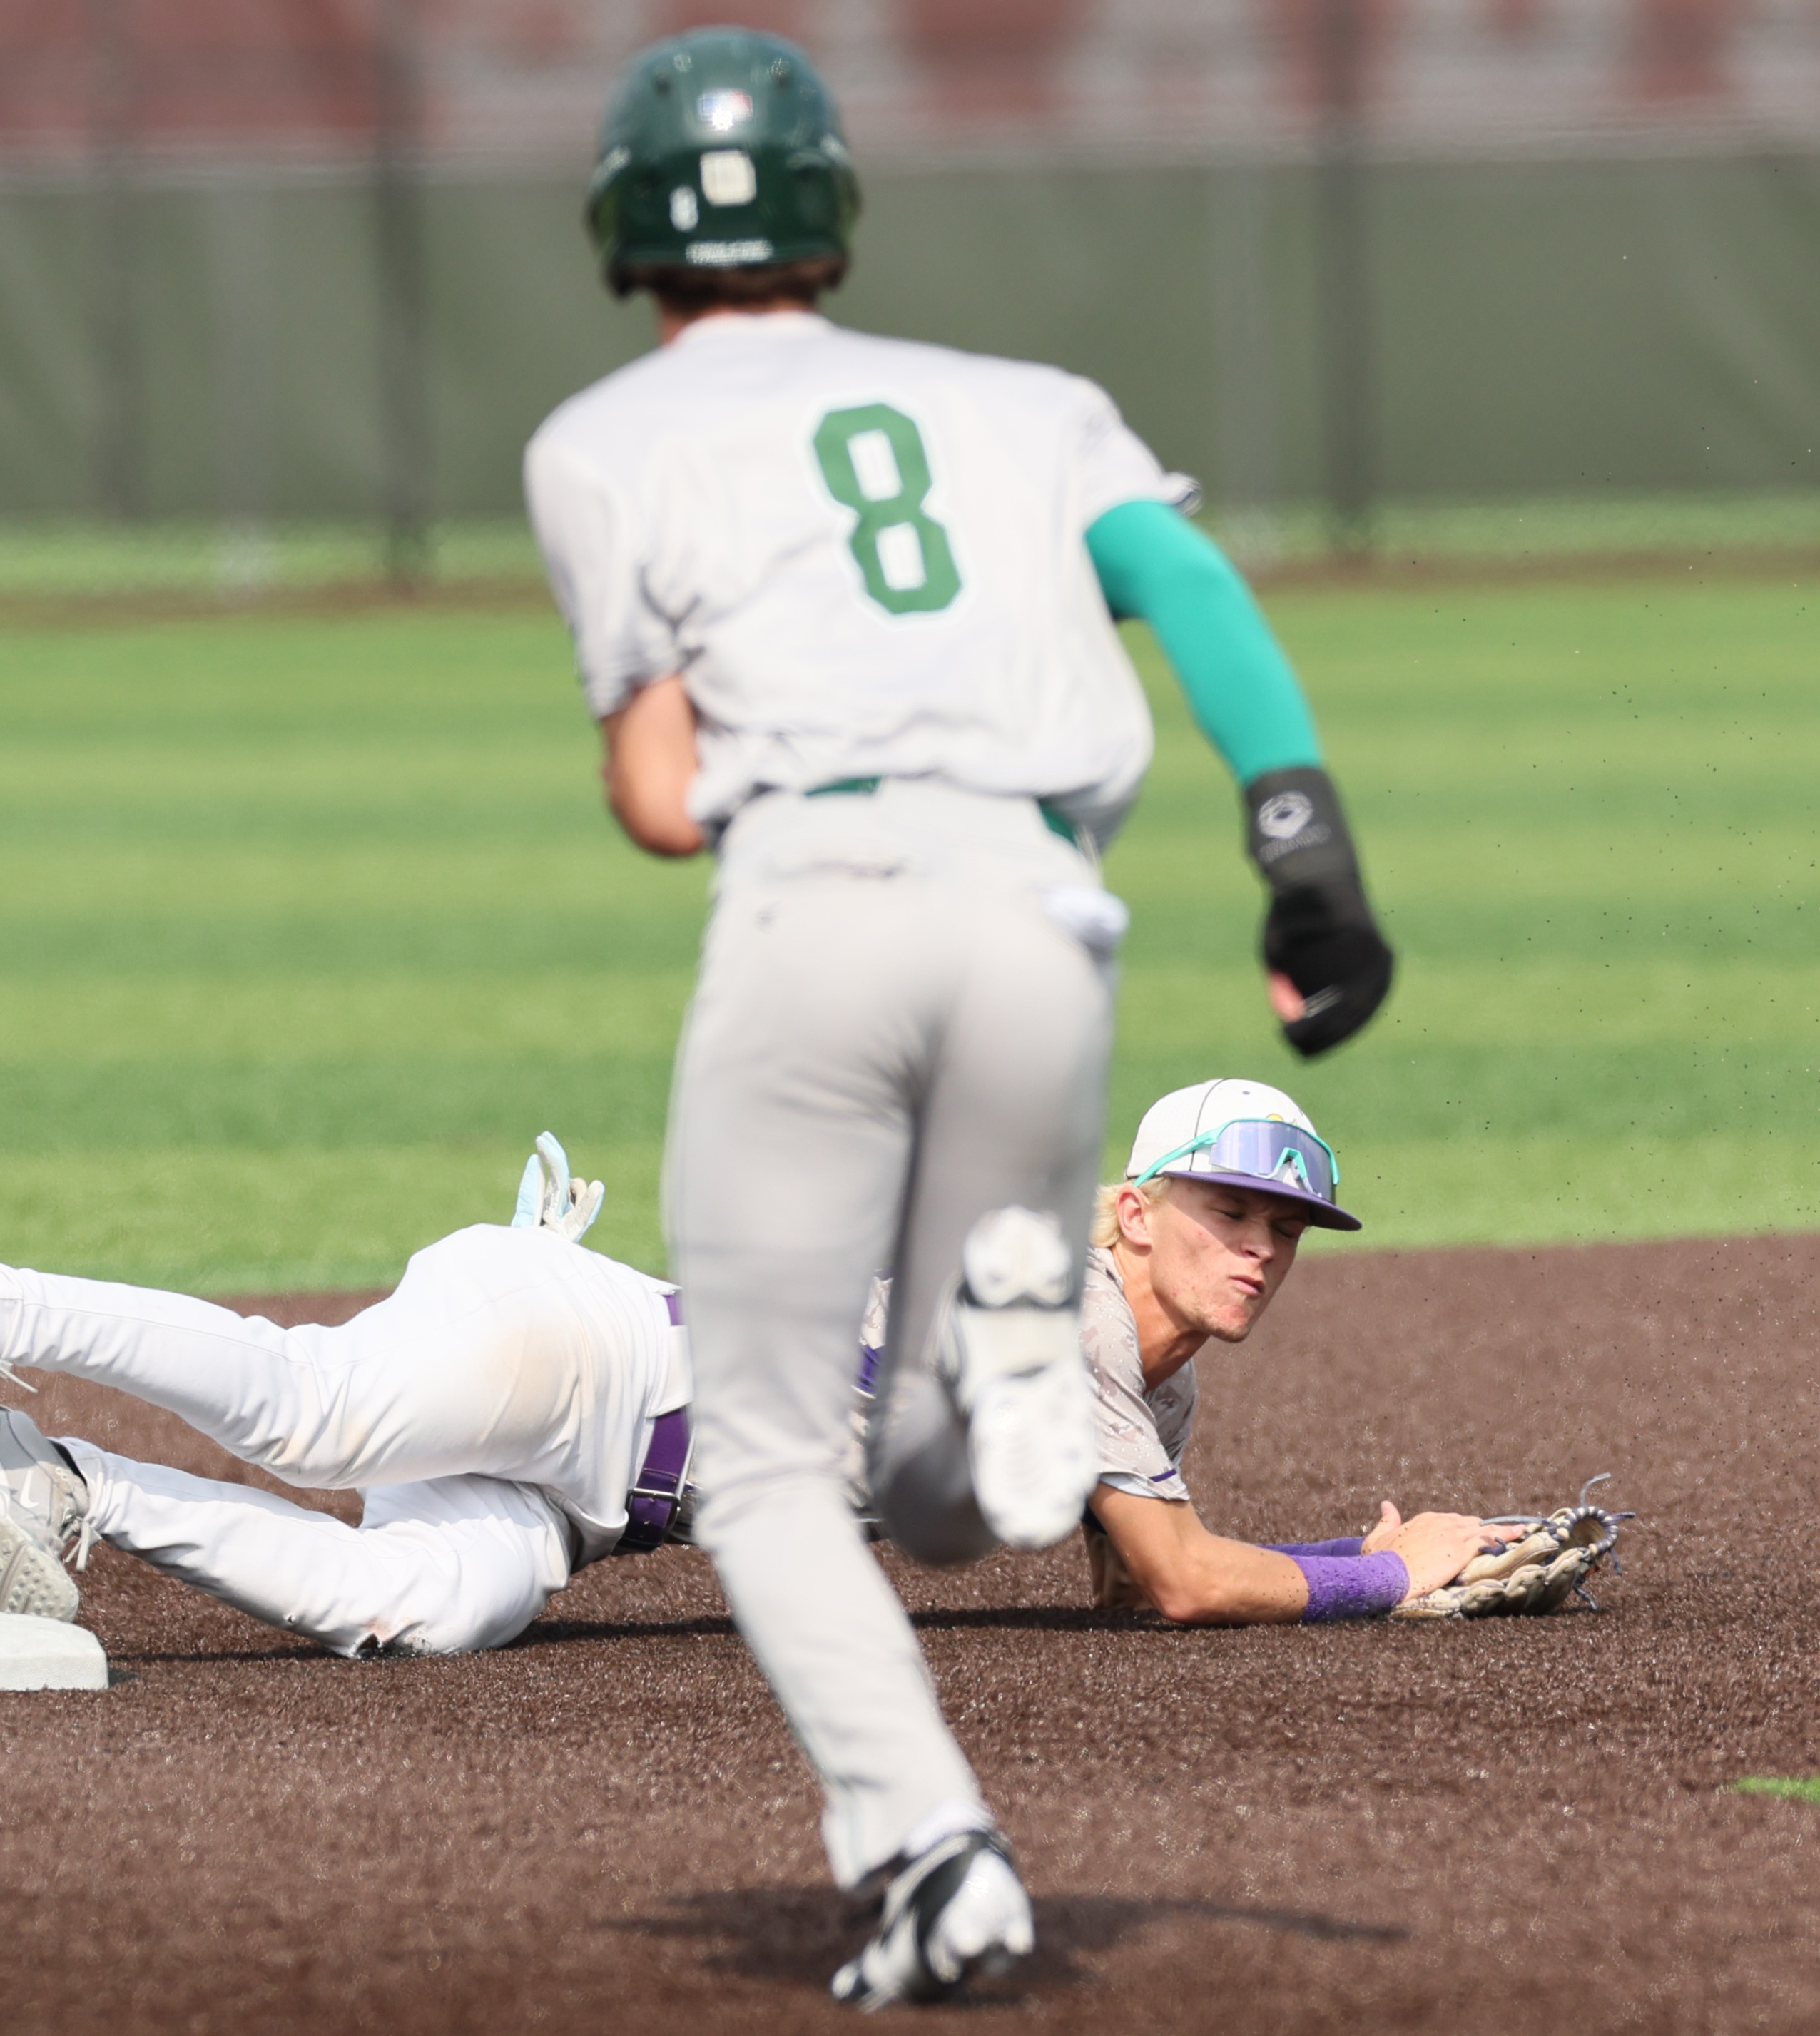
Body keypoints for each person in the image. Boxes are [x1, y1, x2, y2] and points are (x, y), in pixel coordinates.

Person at [521, 26, 1397, 2010]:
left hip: (814, 915)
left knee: (766, 1460)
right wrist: (1302, 842)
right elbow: (1190, 586)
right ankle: (980, 1435)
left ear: (621, 231)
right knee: (946, 1476)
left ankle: (937, 1855)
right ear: (832, 212)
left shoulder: (592, 444)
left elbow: (657, 801)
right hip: (1037, 915)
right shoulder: (1025, 404)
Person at [0, 1136, 703, 1659]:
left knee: (425, 1608)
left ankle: (55, 1480)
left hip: (581, 1506)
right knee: (318, 1415)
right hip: (607, 1358)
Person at [1064, 1078, 1519, 1622]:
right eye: (1230, 1214)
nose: (1262, 1248)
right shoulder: (1075, 1318)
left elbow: (1135, 1585)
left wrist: (1363, 1556)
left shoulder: (1167, 1386)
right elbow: (1186, 1584)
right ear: (1136, 1216)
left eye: (1286, 1230)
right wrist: (1398, 1574)